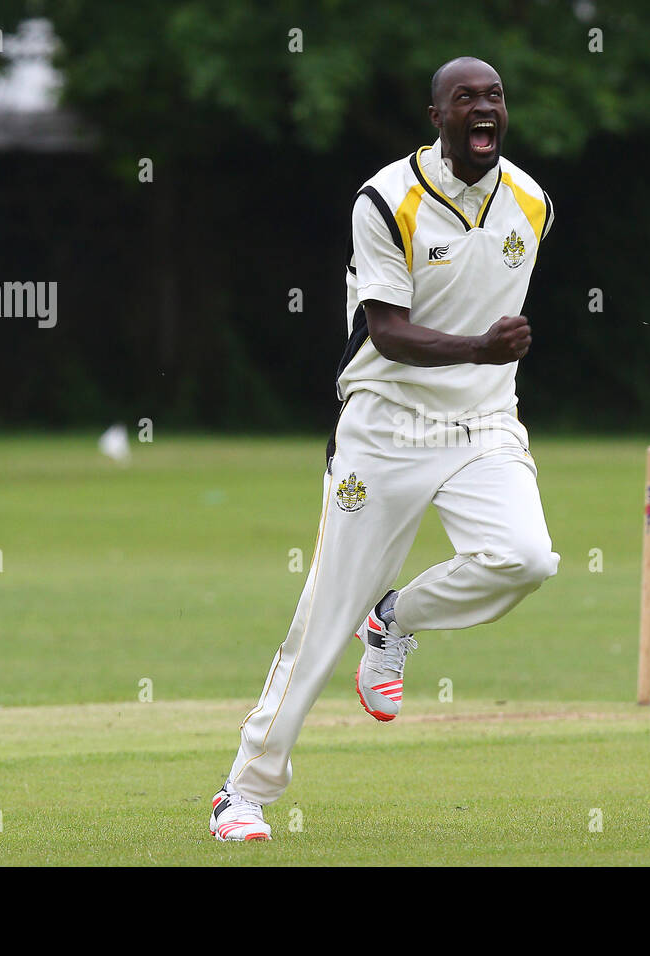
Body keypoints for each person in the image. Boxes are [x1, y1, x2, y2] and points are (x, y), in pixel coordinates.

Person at [210, 56, 559, 842]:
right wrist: (480, 347)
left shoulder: (532, 202)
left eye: (494, 96)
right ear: (435, 116)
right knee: (324, 617)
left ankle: (396, 618)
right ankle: (243, 792)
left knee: (527, 558)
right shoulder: (387, 199)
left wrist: (483, 367)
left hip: (482, 426)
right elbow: (386, 331)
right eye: (463, 98)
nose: (482, 109)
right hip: (385, 425)